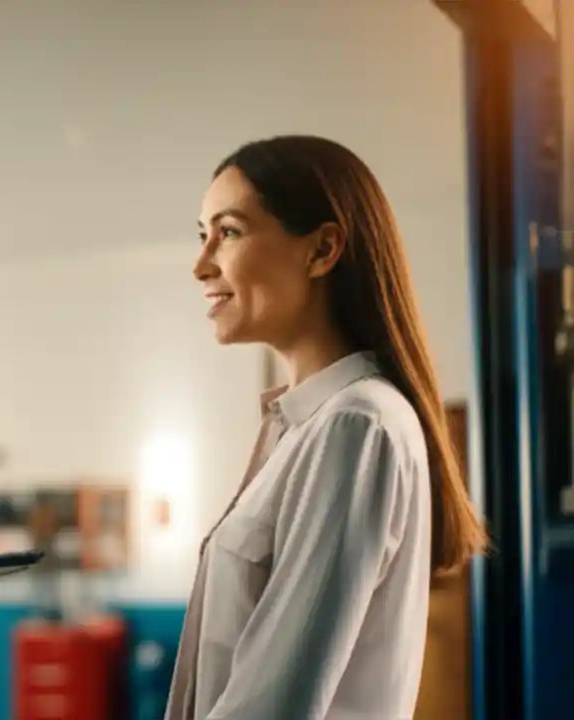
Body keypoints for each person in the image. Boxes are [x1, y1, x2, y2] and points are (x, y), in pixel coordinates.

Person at [167, 135, 488, 719]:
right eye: (202, 234)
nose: (201, 264)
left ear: (322, 249)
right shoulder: (305, 426)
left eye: (229, 232)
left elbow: (274, 705)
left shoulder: (355, 427)